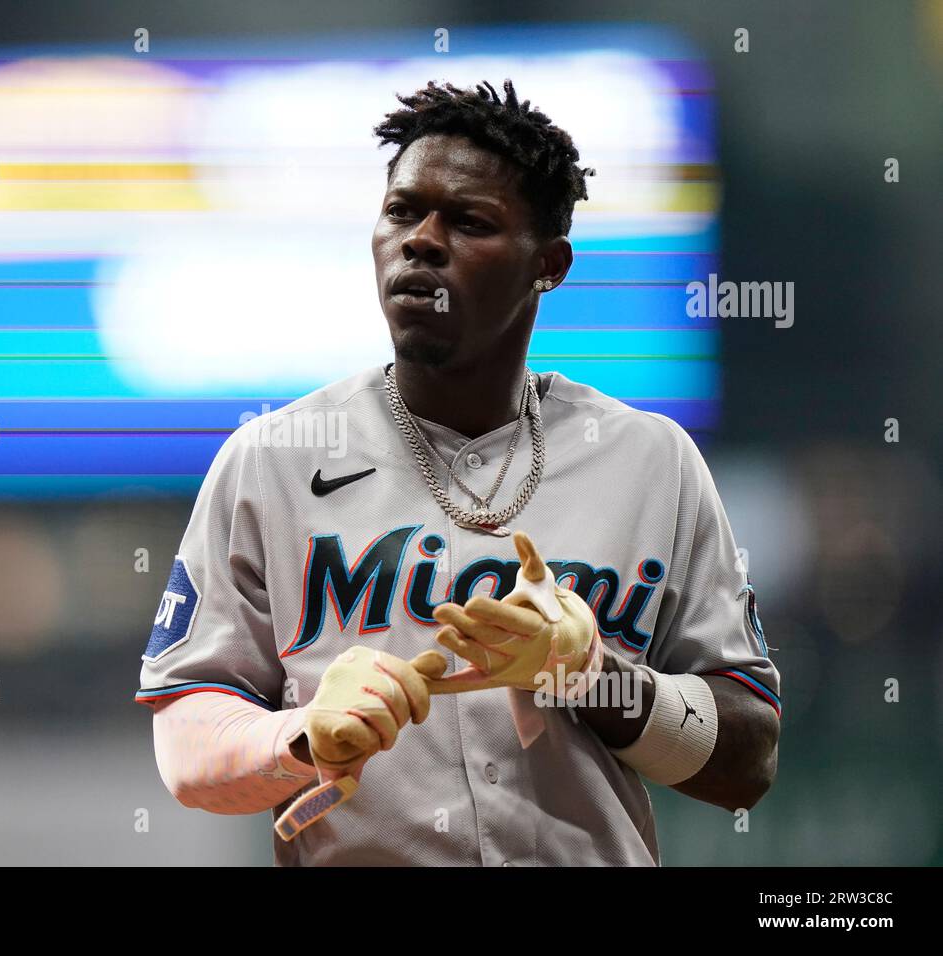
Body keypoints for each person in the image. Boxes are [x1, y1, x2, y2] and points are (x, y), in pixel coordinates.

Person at [135, 78, 781, 866]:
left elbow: (747, 763)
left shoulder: (652, 461)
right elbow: (185, 747)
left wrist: (592, 675)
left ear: (548, 265)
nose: (421, 241)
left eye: (469, 222)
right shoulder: (271, 458)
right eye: (403, 212)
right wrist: (300, 735)